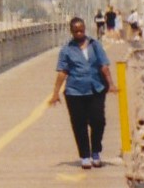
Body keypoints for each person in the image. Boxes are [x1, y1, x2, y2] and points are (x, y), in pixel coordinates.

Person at [49, 16, 115, 169]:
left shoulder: (95, 45)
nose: (79, 33)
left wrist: (111, 84)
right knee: (79, 124)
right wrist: (55, 93)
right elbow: (62, 72)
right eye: (76, 31)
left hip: (96, 88)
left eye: (81, 30)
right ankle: (85, 155)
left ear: (85, 29)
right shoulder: (66, 50)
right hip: (75, 92)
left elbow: (104, 65)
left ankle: (96, 151)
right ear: (71, 31)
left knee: (98, 121)